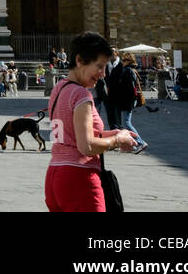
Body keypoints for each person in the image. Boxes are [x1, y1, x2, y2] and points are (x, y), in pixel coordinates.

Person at [45, 31, 137, 212]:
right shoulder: (81, 95)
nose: (103, 74)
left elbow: (72, 133)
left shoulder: (59, 88)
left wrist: (115, 133)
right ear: (79, 61)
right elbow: (86, 146)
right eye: (99, 66)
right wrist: (117, 141)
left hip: (55, 175)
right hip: (79, 177)